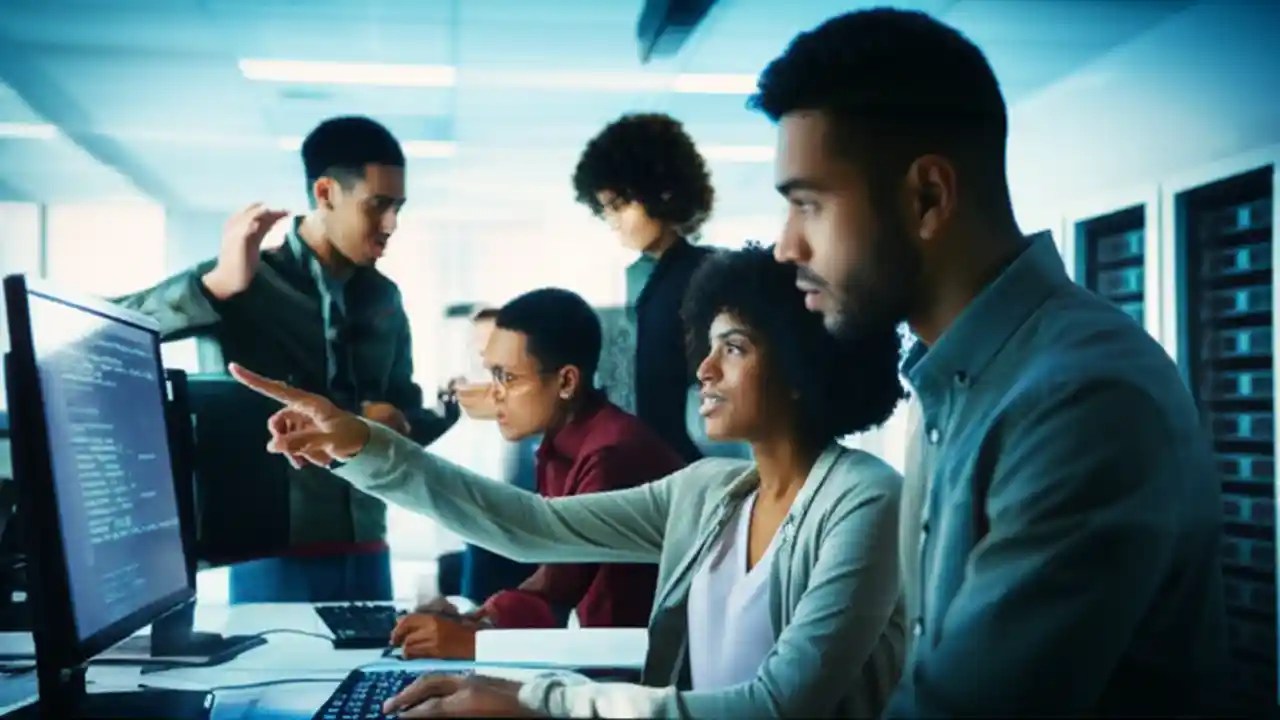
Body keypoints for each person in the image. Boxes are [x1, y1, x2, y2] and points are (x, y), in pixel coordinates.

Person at [754, 8, 1229, 715]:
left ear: (928, 197)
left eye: (809, 206)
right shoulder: (954, 383)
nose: (786, 247)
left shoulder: (1081, 400)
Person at [229, 244, 910, 718]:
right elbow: (533, 526)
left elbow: (773, 708)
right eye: (708, 347)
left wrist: (535, 699)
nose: (703, 371)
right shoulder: (711, 491)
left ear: (802, 367)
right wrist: (364, 445)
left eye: (732, 349)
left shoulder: (864, 498)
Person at [113, 116, 458, 603]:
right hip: (273, 551)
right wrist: (215, 287)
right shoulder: (244, 280)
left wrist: (413, 420)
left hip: (369, 544)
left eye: (398, 208)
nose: (391, 226)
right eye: (377, 206)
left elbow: (402, 414)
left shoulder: (386, 298)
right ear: (326, 192)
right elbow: (104, 331)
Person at [384, 288, 680, 660]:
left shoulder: (611, 454)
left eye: (507, 378)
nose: (495, 396)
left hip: (642, 674)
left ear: (567, 382)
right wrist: (476, 621)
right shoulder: (563, 445)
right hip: (612, 655)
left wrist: (475, 631)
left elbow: (560, 584)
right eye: (493, 375)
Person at [572, 113, 720, 463]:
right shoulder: (642, 279)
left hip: (690, 467)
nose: (612, 221)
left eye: (620, 206)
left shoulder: (706, 276)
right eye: (605, 209)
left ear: (662, 192)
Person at [434, 307, 539, 606]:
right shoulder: (457, 415)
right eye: (478, 351)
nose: (483, 360)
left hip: (516, 543)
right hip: (466, 545)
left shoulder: (534, 420)